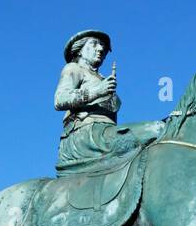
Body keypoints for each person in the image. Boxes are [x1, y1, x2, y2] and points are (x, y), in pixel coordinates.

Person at [54, 30, 163, 177]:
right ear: (79, 50)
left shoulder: (102, 78)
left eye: (103, 47)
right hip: (85, 135)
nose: (100, 49)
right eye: (94, 44)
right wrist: (97, 92)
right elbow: (59, 99)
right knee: (157, 129)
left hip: (105, 133)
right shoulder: (74, 68)